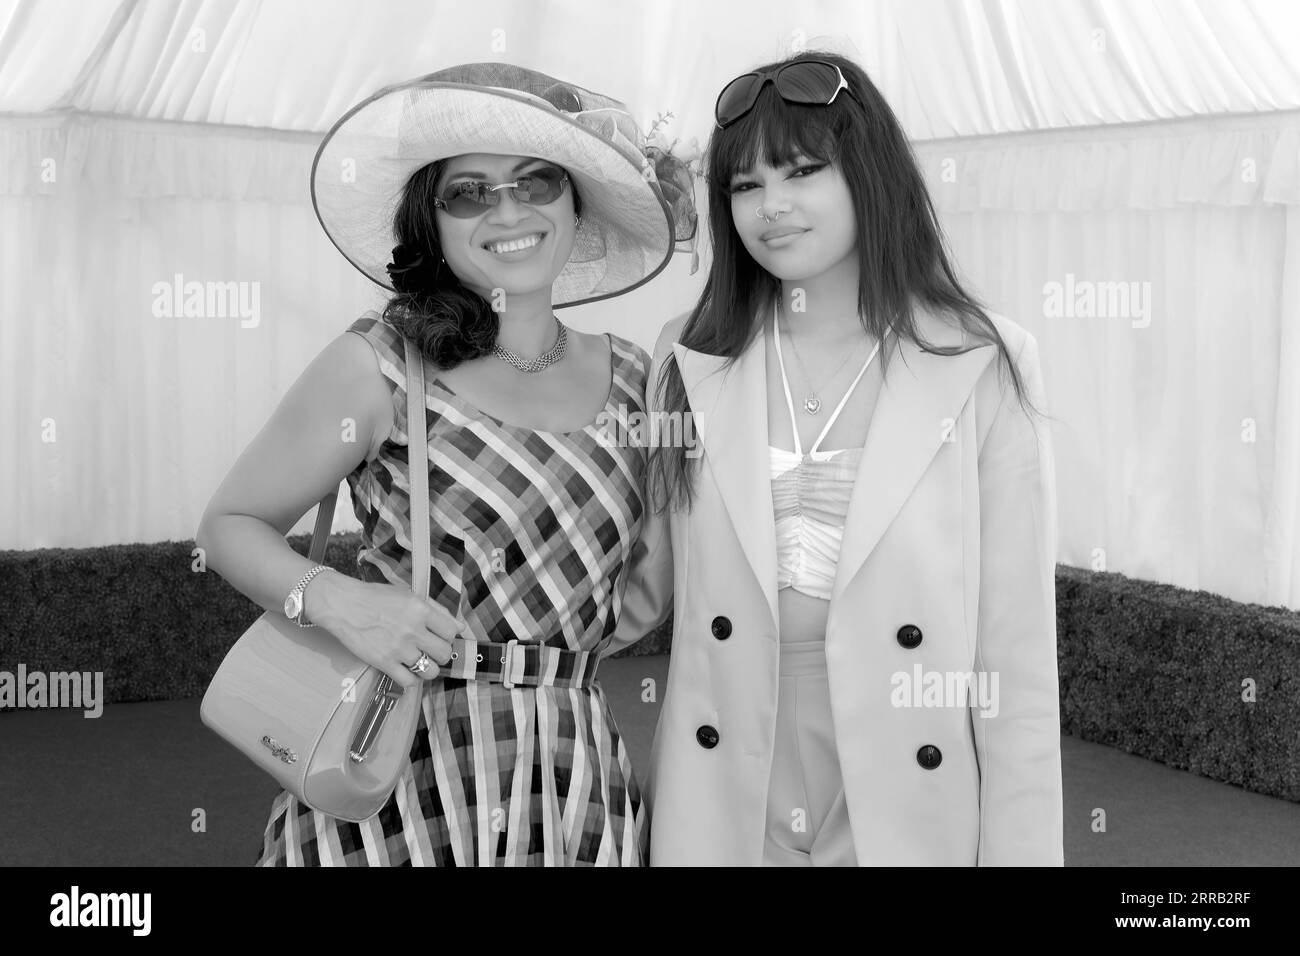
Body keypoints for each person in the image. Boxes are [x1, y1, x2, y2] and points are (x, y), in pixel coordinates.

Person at [196, 62, 694, 866]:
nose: (508, 211)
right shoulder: (383, 364)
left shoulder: (641, 379)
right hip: (397, 759)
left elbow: (649, 591)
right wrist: (340, 600)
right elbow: (227, 526)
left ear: (575, 206)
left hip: (572, 775)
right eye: (469, 192)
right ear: (432, 221)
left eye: (536, 182)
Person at [620, 50, 1063, 865]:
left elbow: (1017, 655)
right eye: (745, 185)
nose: (771, 208)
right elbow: (635, 593)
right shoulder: (687, 356)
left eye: (801, 172)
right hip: (724, 782)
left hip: (905, 782)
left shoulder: (983, 360)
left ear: (870, 174)